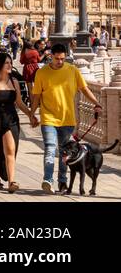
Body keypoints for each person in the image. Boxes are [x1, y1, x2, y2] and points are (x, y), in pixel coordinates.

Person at [30, 43, 102, 194]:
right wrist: (32, 114)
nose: (60, 62)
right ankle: (48, 180)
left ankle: (62, 183)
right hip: (48, 118)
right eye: (57, 59)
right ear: (51, 56)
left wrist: (96, 104)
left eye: (63, 59)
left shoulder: (73, 71)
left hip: (68, 119)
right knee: (50, 148)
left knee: (65, 153)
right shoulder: (41, 73)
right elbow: (36, 96)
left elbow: (84, 89)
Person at [0, 52, 39, 191]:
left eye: (10, 63)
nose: (10, 65)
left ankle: (12, 182)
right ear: (0, 65)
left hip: (11, 119)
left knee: (10, 150)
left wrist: (31, 115)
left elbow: (19, 102)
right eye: (7, 63)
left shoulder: (14, 82)